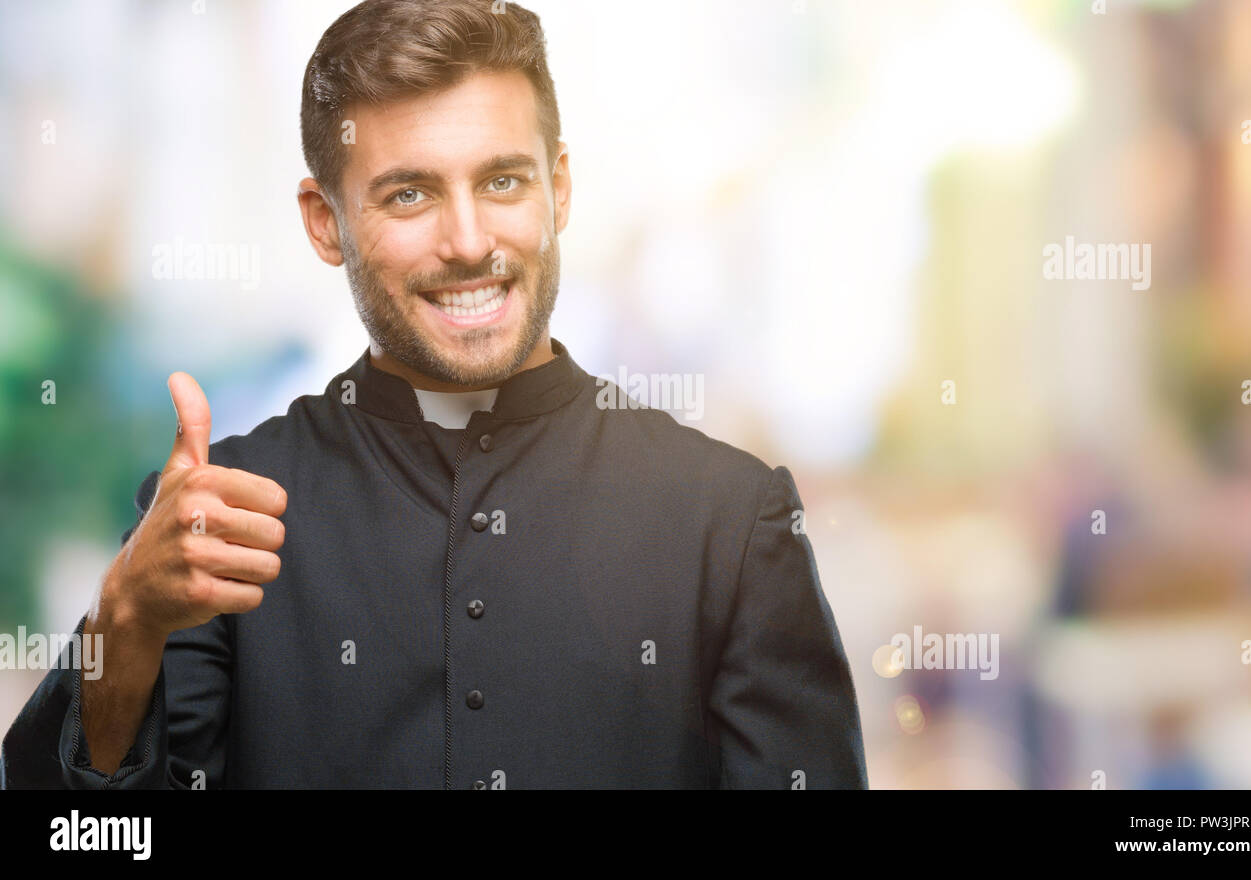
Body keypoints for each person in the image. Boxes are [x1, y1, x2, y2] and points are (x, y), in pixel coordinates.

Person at [1, 0, 868, 789]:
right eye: (408, 193)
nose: (467, 240)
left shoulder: (731, 520)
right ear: (323, 222)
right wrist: (126, 618)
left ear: (557, 188)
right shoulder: (215, 524)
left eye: (502, 181)